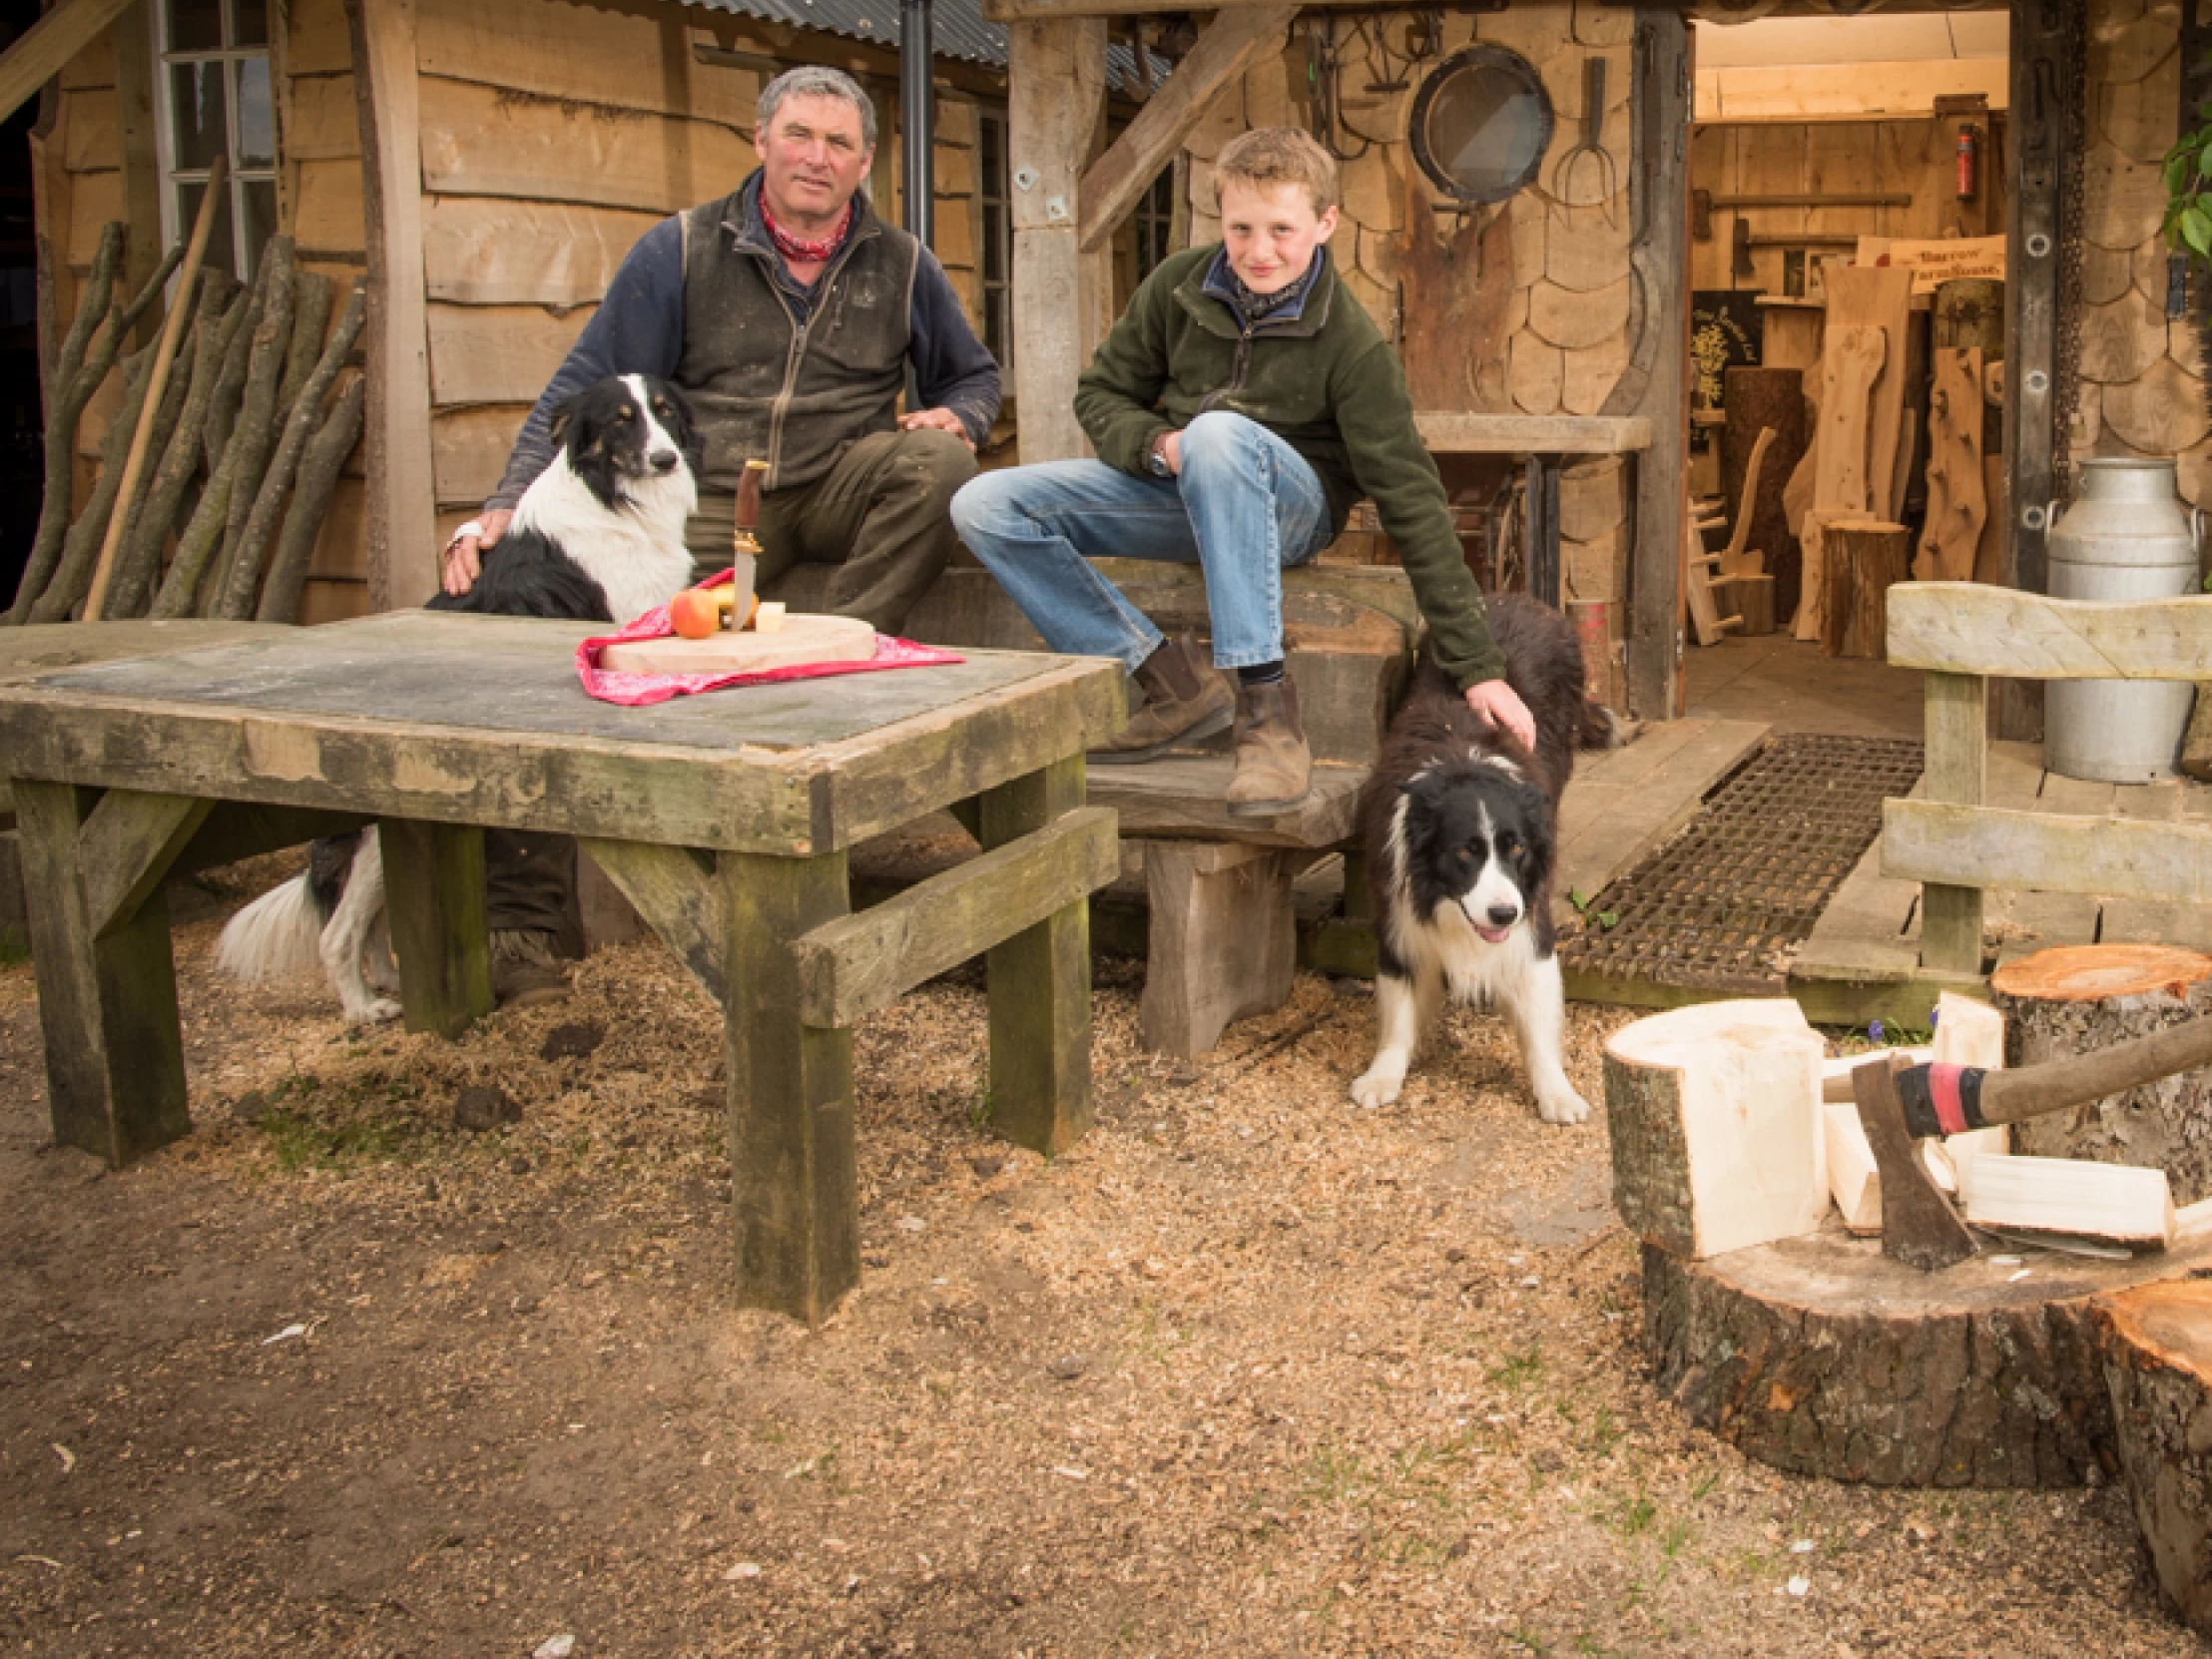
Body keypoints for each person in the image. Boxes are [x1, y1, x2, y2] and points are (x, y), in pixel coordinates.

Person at [445, 63, 1000, 980]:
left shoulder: (902, 264)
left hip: (835, 483)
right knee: (554, 637)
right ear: (761, 142)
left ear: (866, 162)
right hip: (705, 499)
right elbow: (581, 389)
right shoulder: (680, 249)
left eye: (838, 143)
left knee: (939, 465)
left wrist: (963, 415)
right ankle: (524, 918)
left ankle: (828, 680)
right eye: (798, 135)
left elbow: (972, 376)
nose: (815, 158)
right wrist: (506, 504)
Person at [951, 125, 1532, 820]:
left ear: (1325, 223)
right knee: (984, 503)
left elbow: (1411, 499)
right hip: (1181, 488)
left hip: (1289, 511)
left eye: (1282, 229)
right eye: (1241, 228)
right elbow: (1101, 393)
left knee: (1219, 433)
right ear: (1220, 218)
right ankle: (1165, 678)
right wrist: (1156, 444)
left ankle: (1267, 716)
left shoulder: (1351, 346)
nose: (1259, 251)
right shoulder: (1176, 288)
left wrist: (1480, 669)